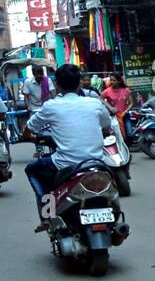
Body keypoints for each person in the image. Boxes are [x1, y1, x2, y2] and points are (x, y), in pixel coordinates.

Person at [25, 64, 114, 226]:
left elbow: (29, 128)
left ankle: (49, 213)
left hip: (64, 164)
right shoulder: (94, 103)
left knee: (32, 170)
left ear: (58, 85)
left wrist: (32, 138)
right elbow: (107, 127)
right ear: (80, 83)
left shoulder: (51, 106)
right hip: (97, 162)